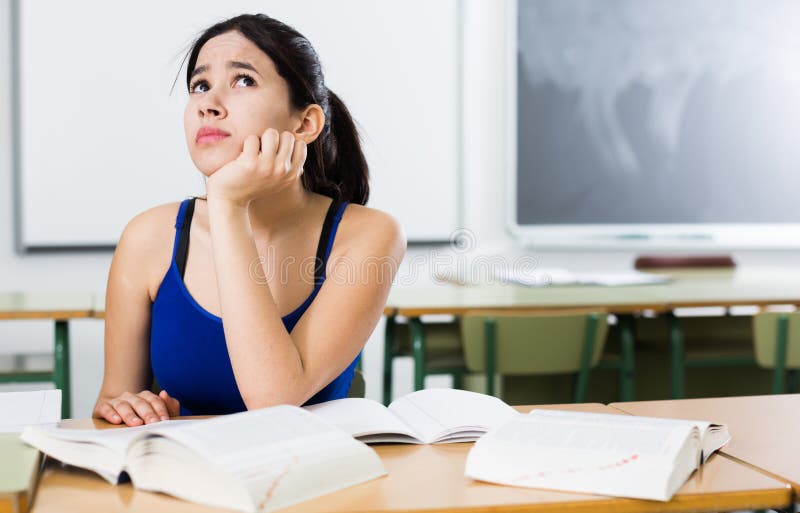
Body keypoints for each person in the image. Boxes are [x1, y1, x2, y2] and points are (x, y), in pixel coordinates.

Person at [93, 14, 405, 425]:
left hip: (312, 479)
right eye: (200, 86)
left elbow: (275, 400)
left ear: (305, 123)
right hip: (181, 478)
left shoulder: (368, 235)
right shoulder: (147, 237)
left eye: (243, 81)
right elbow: (113, 402)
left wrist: (227, 205)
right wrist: (120, 408)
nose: (208, 103)